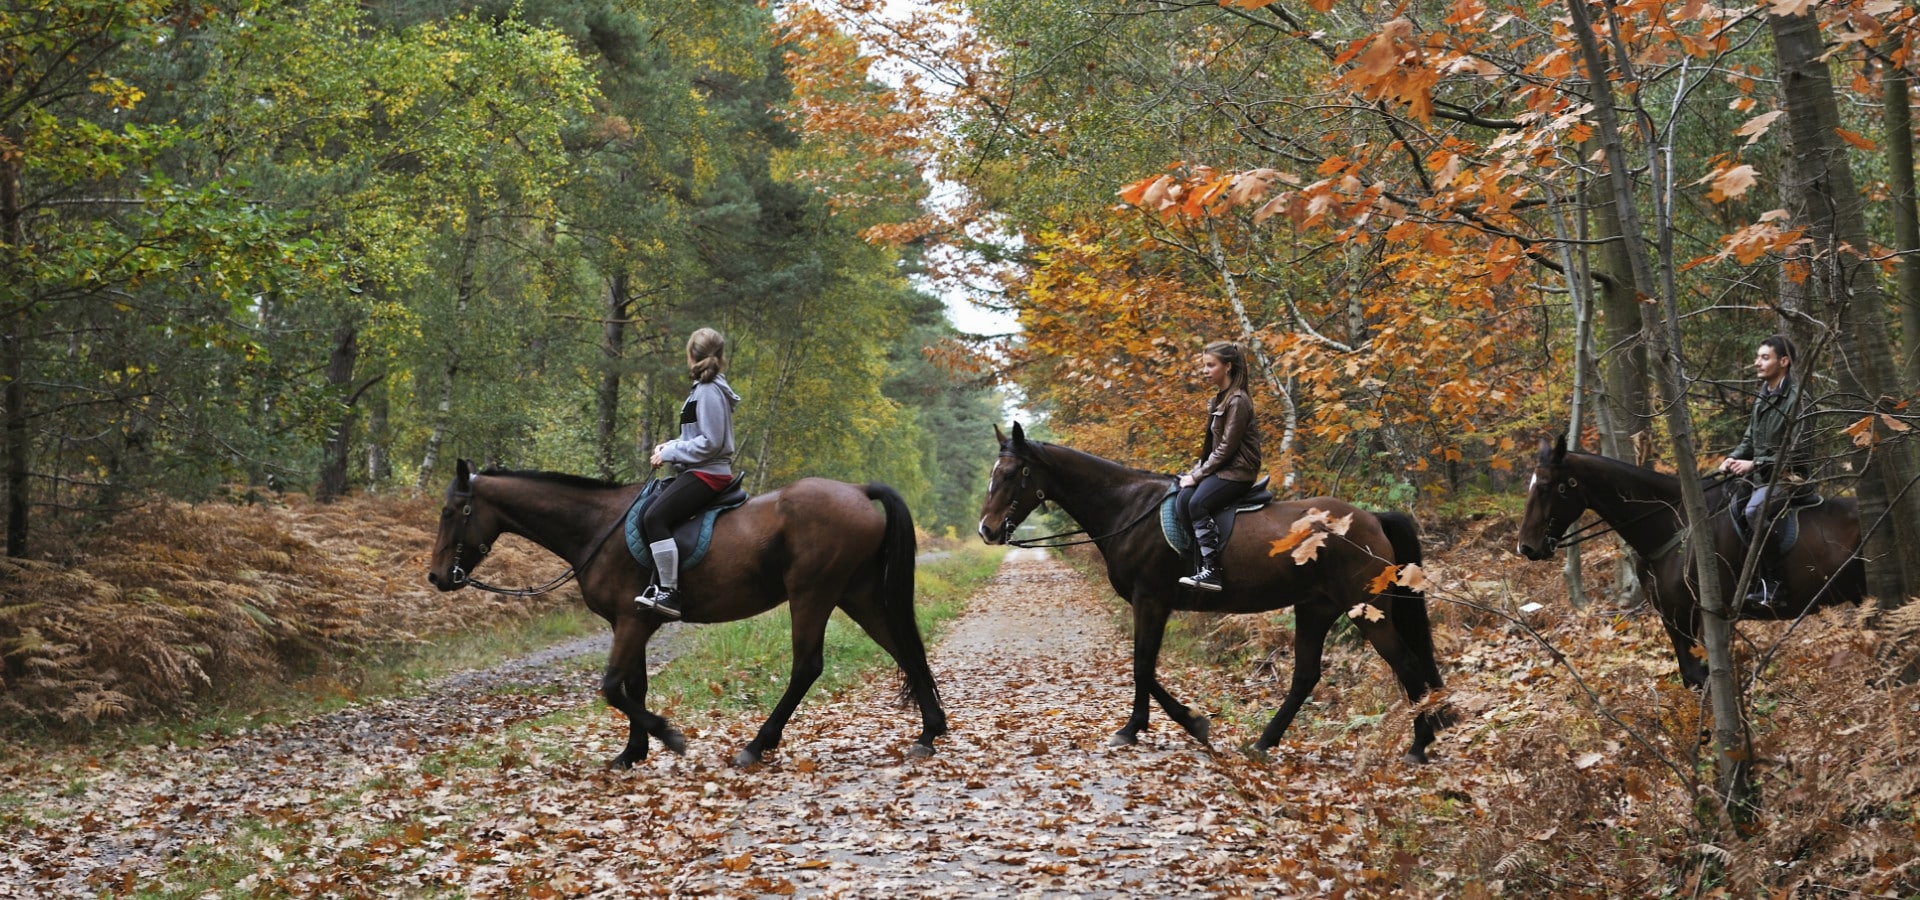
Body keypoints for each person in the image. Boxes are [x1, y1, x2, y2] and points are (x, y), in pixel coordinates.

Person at [635, 328, 740, 619]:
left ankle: (670, 593)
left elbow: (711, 442)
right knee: (648, 510)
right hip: (700, 469)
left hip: (709, 474)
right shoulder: (704, 388)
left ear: (691, 355)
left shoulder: (708, 391)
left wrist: (670, 453)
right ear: (719, 356)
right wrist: (669, 446)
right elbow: (699, 437)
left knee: (654, 517)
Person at [1716, 333, 1800, 607]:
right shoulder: (1762, 398)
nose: (1757, 363)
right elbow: (1750, 440)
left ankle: (1777, 585)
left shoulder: (1797, 400)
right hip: (1760, 478)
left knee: (1754, 511)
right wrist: (1732, 458)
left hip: (1791, 478)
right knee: (1726, 504)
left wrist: (1755, 464)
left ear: (1783, 362)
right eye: (1757, 357)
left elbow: (1797, 453)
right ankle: (1752, 580)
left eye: (1765, 357)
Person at [1177, 340, 1263, 592]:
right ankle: (1197, 562)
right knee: (1182, 500)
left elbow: (1226, 448)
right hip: (1223, 468)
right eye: (1204, 365)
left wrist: (1199, 476)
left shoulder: (1237, 401)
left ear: (1227, 367)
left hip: (1238, 471)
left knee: (1197, 503)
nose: (1205, 370)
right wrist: (1194, 471)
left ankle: (1213, 571)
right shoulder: (1219, 400)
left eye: (1210, 365)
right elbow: (1210, 448)